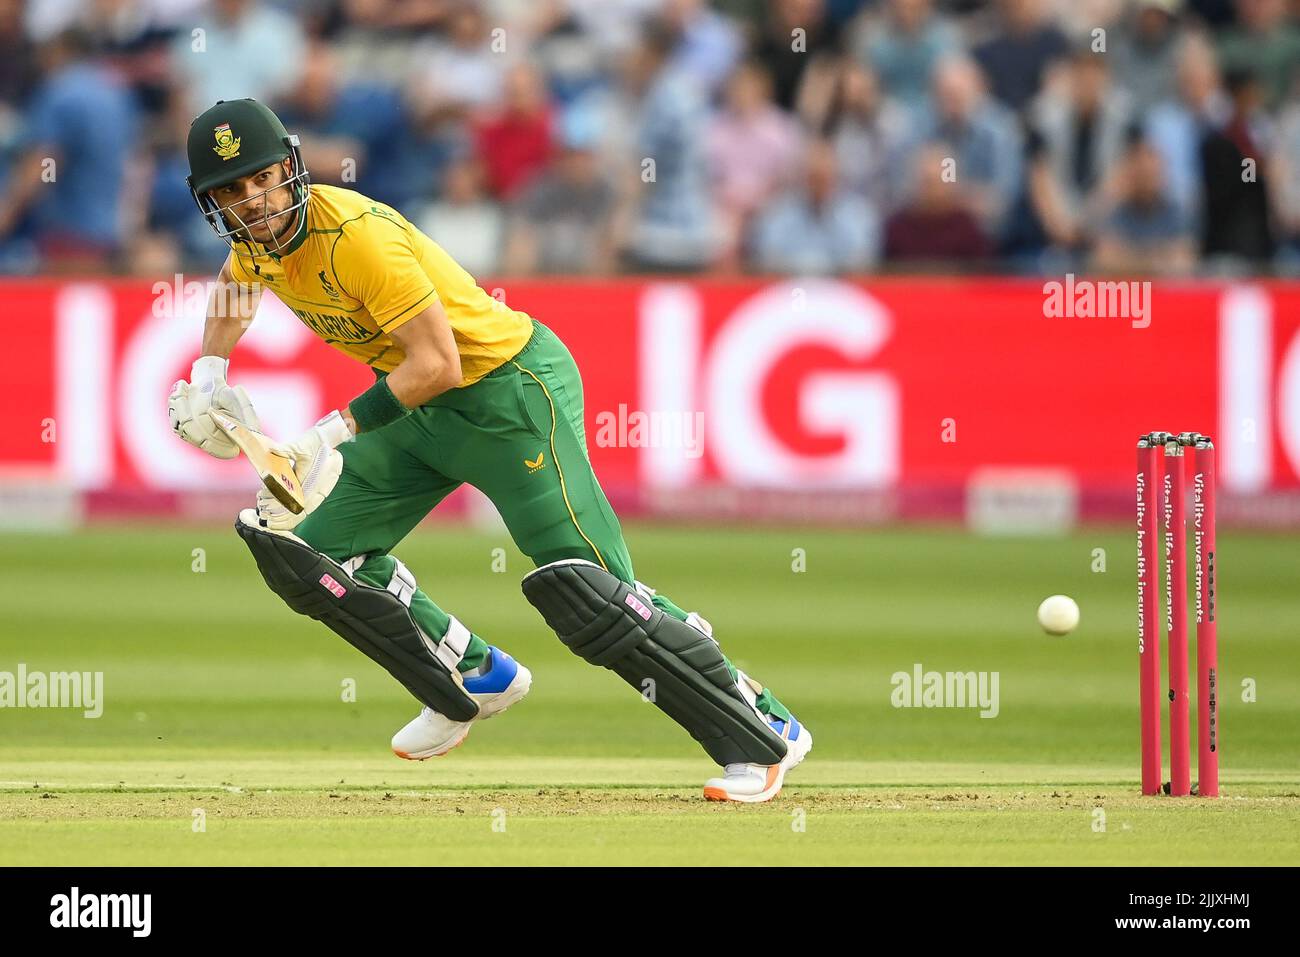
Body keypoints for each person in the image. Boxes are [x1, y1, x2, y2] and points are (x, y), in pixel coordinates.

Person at [166, 98, 810, 803]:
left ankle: (764, 731)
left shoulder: (355, 237)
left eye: (261, 179)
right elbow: (236, 283)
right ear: (212, 202)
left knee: (591, 593)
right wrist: (210, 375)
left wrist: (326, 435)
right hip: (423, 412)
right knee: (304, 551)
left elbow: (438, 363)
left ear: (290, 168)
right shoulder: (257, 242)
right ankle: (470, 673)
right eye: (231, 191)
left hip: (509, 395)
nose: (253, 202)